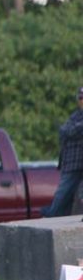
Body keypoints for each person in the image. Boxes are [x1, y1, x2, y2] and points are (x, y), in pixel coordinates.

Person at [40, 86, 83, 217]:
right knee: (64, 194)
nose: (82, 101)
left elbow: (69, 131)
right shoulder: (76, 115)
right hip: (72, 162)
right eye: (80, 98)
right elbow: (64, 131)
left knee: (69, 192)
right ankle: (55, 214)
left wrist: (69, 131)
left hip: (76, 162)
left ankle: (53, 213)